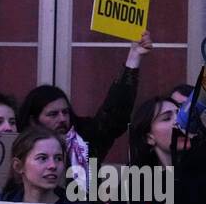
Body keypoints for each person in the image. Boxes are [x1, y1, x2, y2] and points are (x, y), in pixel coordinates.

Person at [21, 30, 152, 178]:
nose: (62, 118)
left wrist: (134, 57)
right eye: (53, 114)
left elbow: (113, 117)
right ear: (33, 121)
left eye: (65, 112)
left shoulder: (83, 141)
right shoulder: (18, 148)